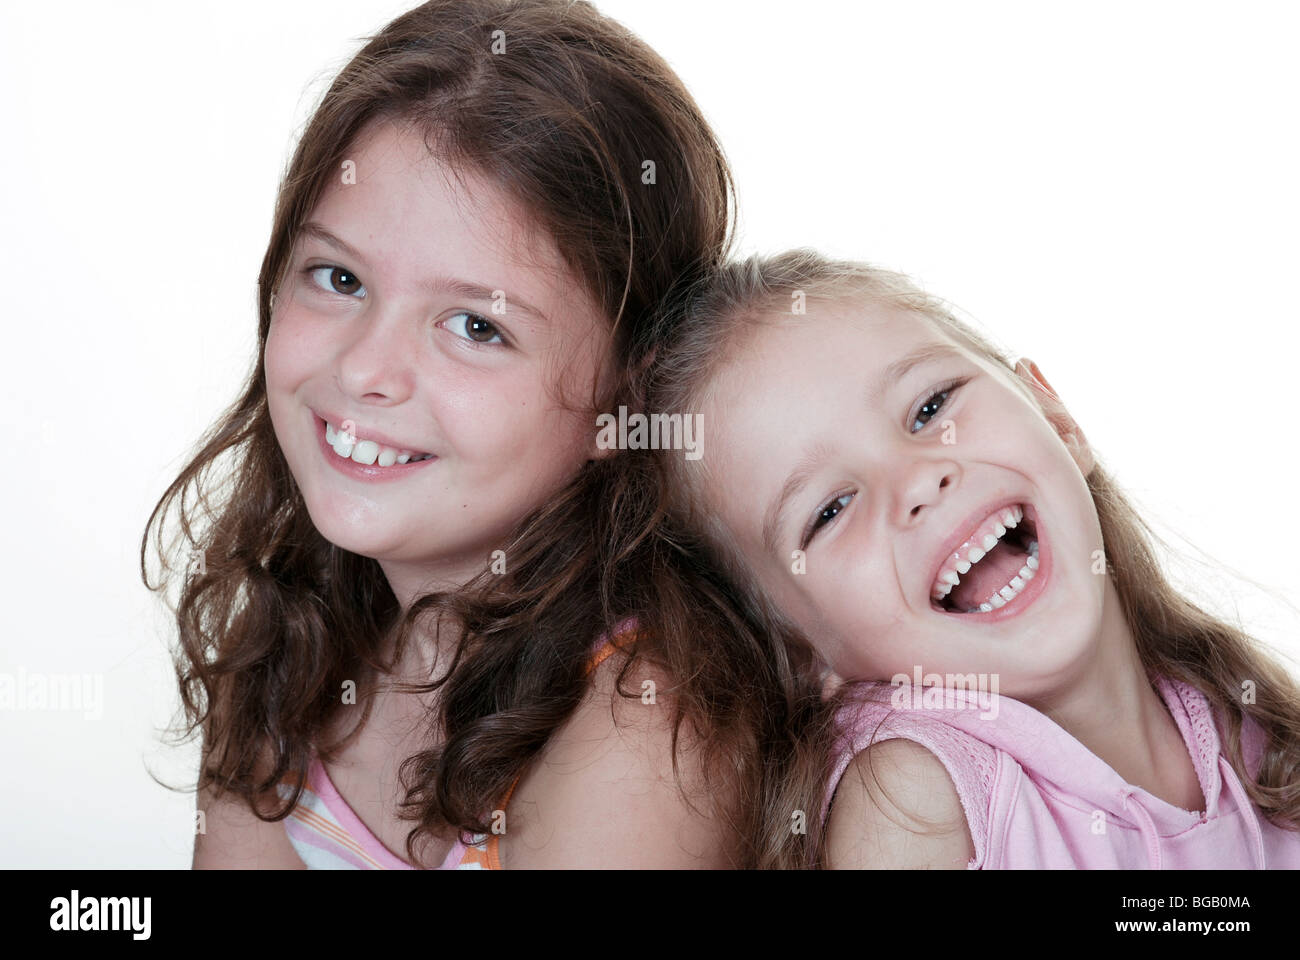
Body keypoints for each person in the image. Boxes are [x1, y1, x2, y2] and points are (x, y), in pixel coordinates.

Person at [142, 0, 789, 869]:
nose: (368, 367)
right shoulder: (289, 643)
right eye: (337, 276)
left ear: (624, 397)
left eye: (477, 328)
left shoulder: (642, 730)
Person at [639, 249, 1300, 868]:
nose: (919, 483)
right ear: (800, 649)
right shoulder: (912, 796)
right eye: (830, 511)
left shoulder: (1245, 727)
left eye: (931, 407)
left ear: (1059, 418)